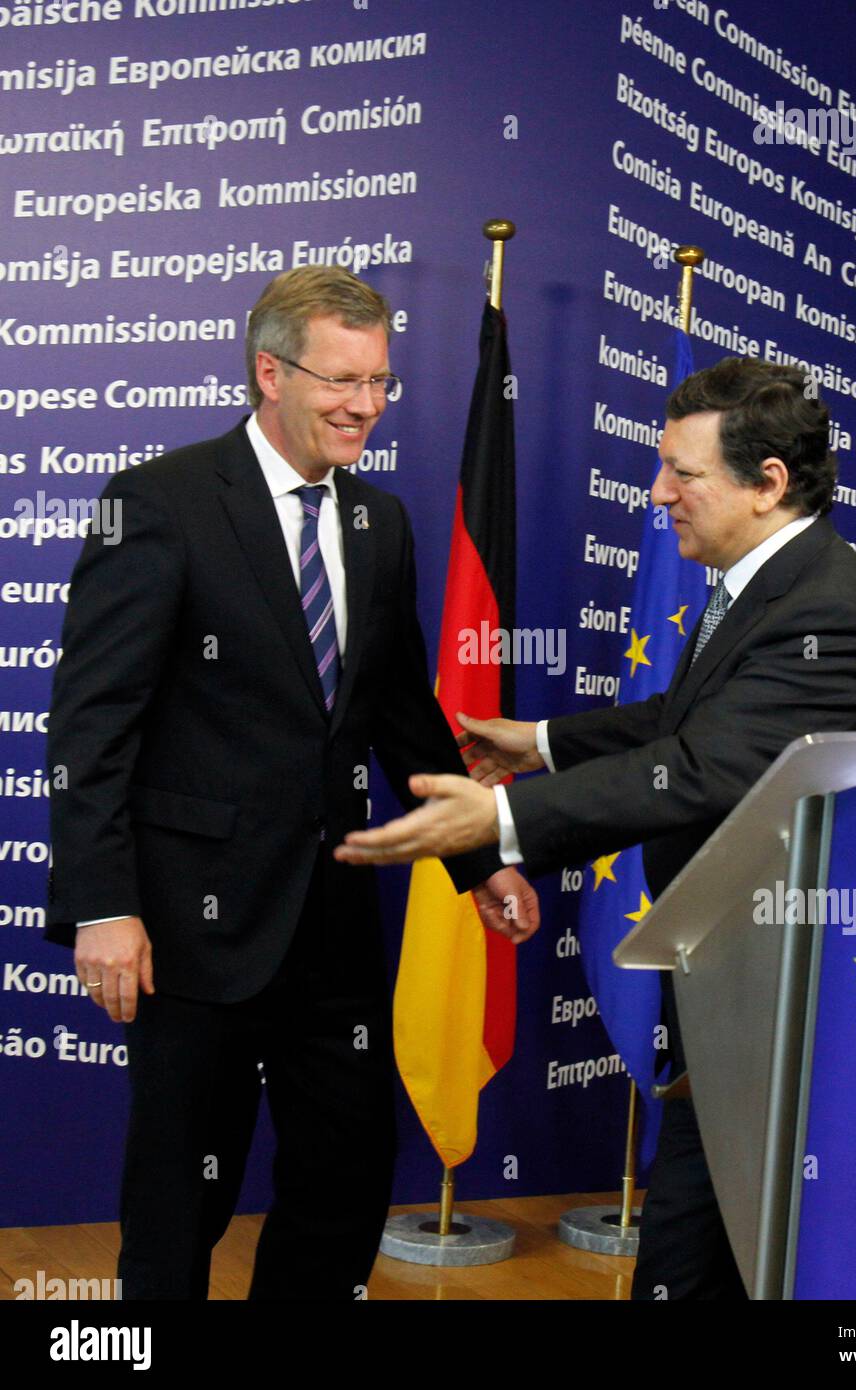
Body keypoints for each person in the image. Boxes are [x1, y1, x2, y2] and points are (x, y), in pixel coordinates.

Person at [335, 356, 856, 1299]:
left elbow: (706, 769)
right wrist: (537, 742)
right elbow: (688, 723)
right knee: (696, 1248)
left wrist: (497, 815)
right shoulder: (769, 583)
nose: (659, 494)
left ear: (767, 483)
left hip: (790, 1017)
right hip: (742, 1001)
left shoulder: (825, 611)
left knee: (722, 1258)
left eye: (683, 475)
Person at [45, 265, 538, 1301]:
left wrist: (477, 858)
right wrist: (103, 904)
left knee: (347, 1177)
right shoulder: (160, 501)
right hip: (192, 929)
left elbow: (405, 716)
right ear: (269, 372)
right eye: (342, 380)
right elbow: (93, 727)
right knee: (181, 1197)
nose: (365, 405)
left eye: (382, 382)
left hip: (333, 928)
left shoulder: (381, 524)